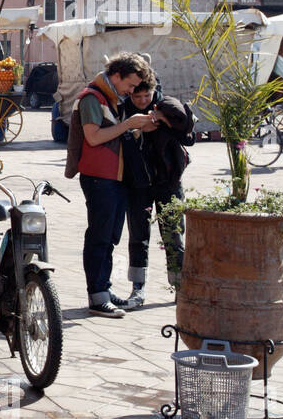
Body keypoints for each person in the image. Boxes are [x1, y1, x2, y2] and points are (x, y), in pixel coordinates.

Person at [65, 53, 159, 318]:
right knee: (100, 237)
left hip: (113, 177)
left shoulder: (111, 98)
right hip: (99, 176)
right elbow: (93, 137)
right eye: (130, 85)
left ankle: (103, 290)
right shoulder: (92, 98)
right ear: (116, 75)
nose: (131, 91)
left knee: (110, 238)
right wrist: (129, 124)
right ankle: (97, 296)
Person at [118, 79, 196, 306]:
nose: (142, 101)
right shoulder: (124, 112)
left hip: (168, 181)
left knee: (173, 233)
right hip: (137, 182)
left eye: (146, 96)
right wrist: (136, 129)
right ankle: (138, 288)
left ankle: (179, 285)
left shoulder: (167, 107)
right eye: (137, 96)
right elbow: (114, 141)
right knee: (138, 235)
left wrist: (165, 121)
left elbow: (188, 139)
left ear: (155, 91)